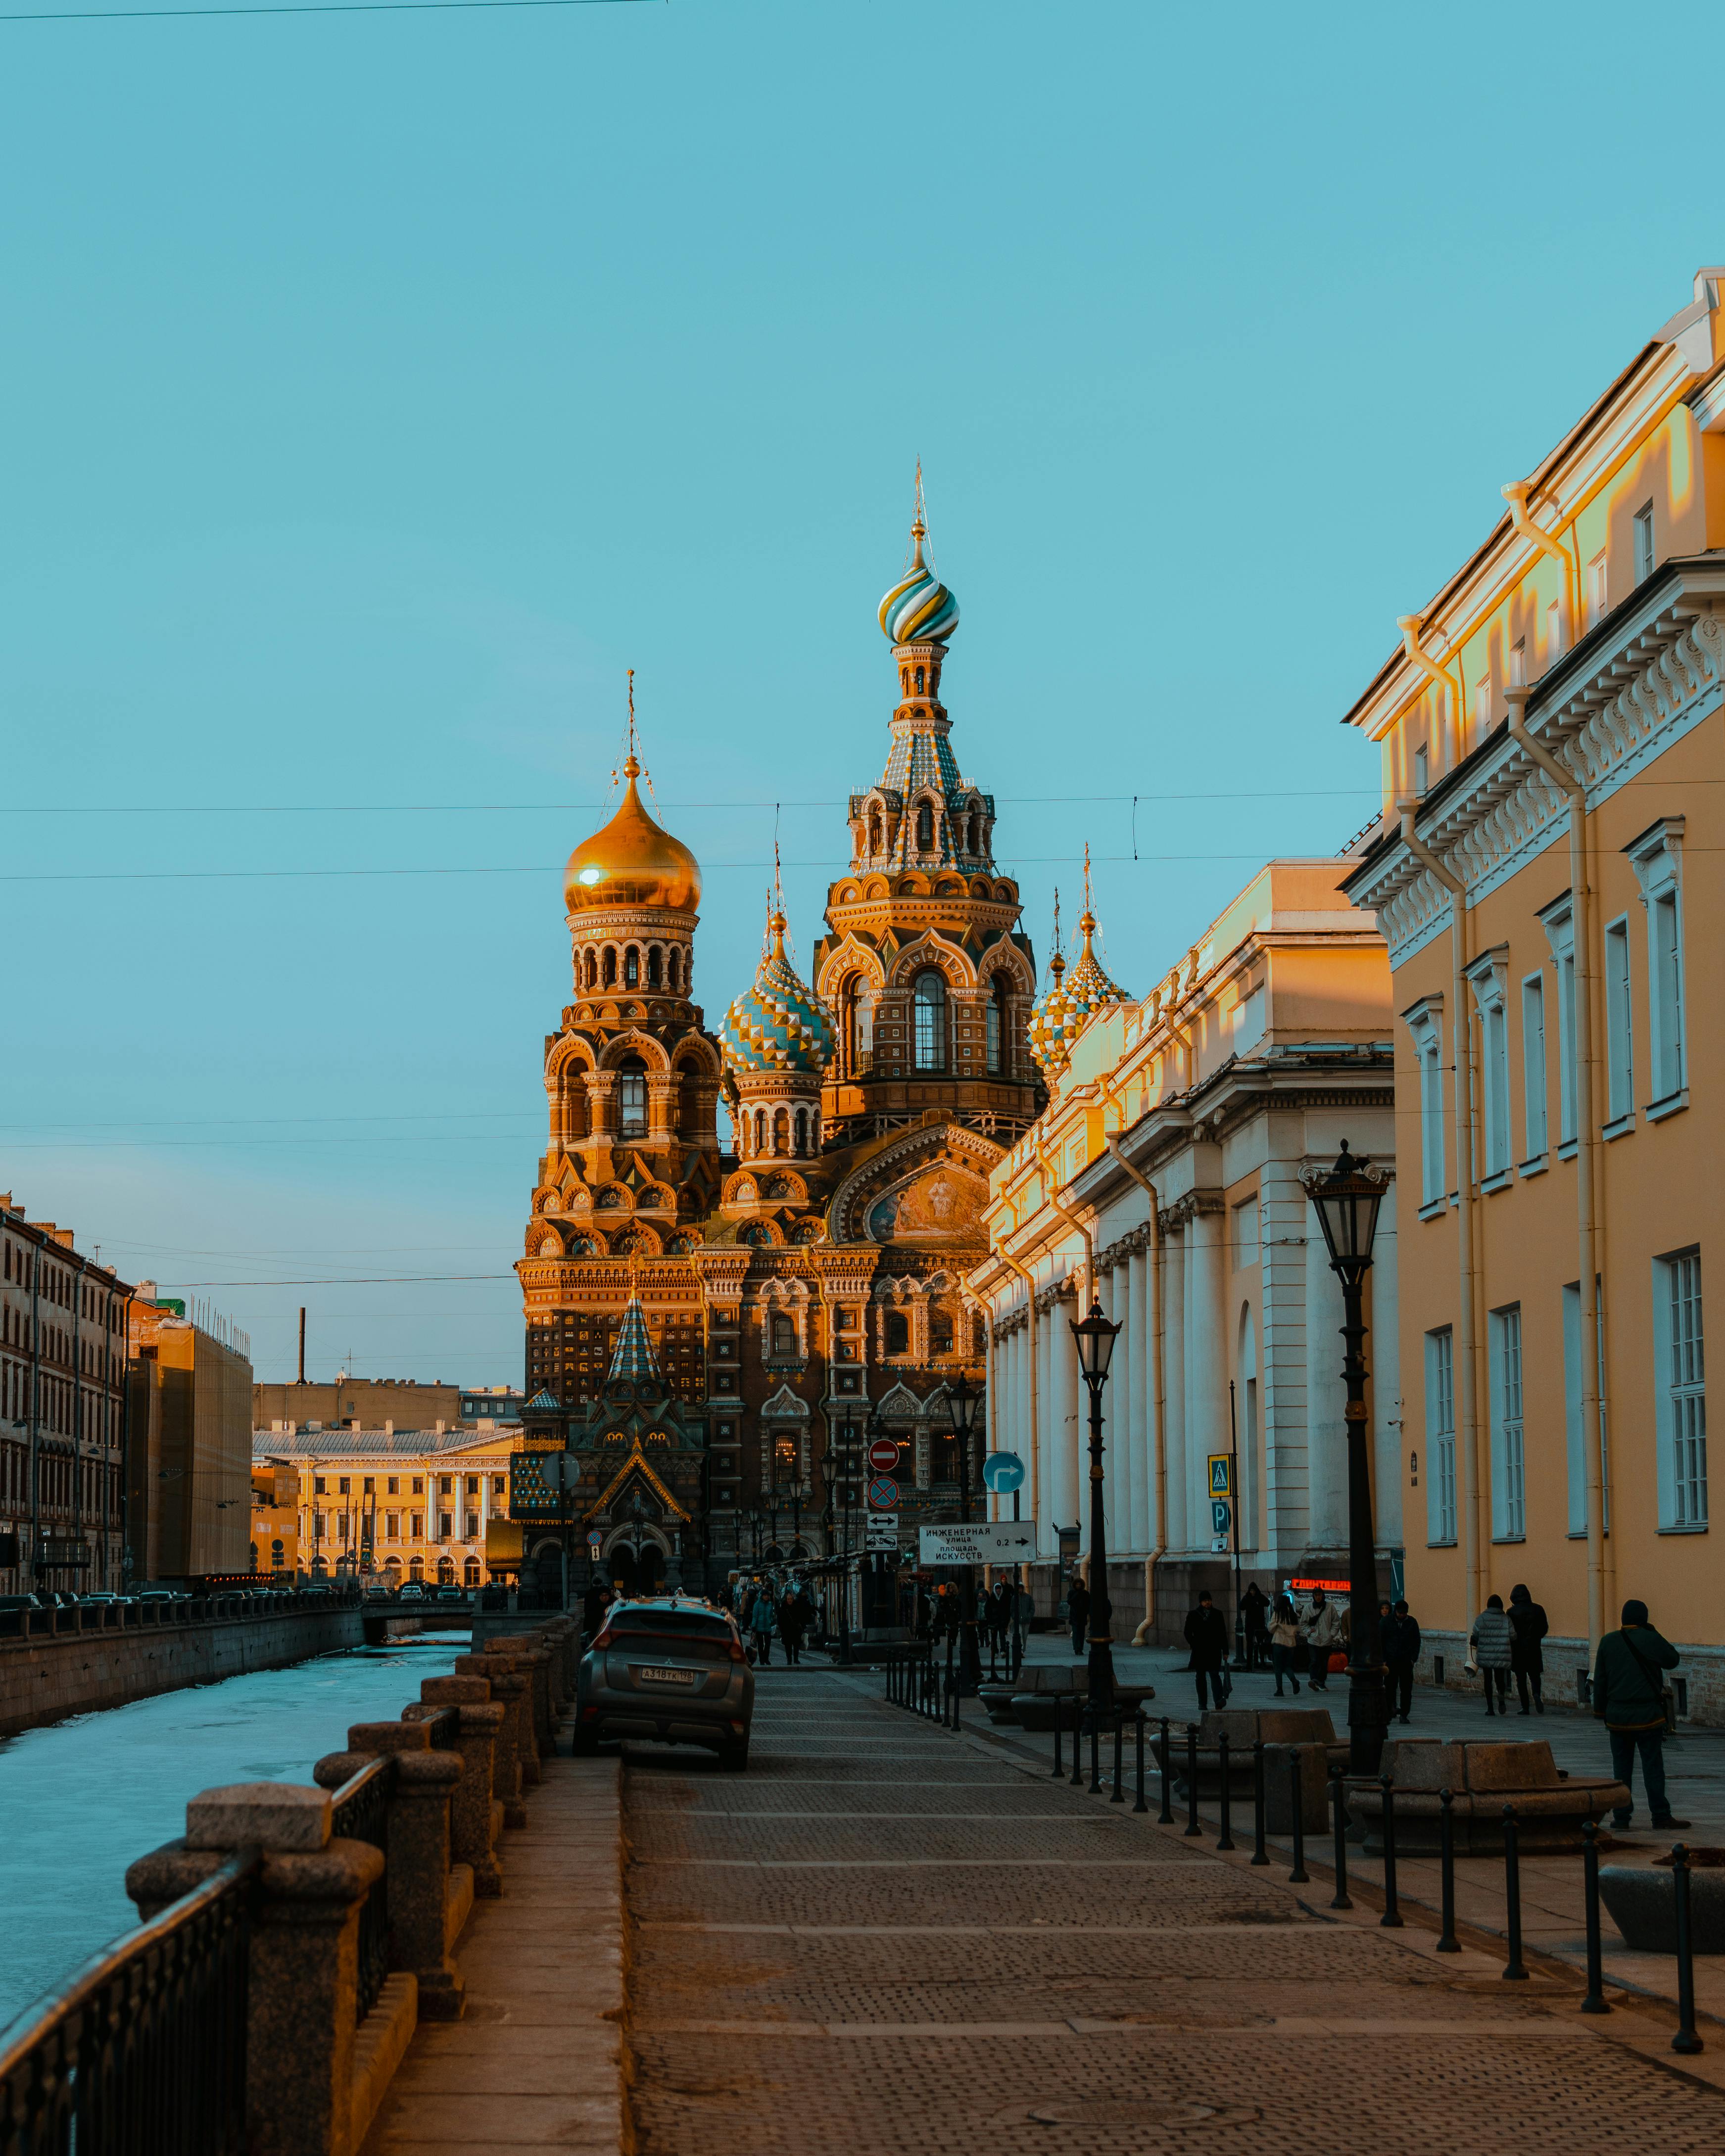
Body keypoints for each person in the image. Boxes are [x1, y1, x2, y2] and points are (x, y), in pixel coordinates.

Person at [1593, 1599, 1689, 1830]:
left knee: (1622, 1768)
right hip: (1648, 1716)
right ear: (1644, 1619)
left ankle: (1622, 1816)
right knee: (1653, 1767)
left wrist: (1600, 1711)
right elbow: (1672, 1660)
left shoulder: (1608, 1642)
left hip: (1618, 1717)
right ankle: (1660, 1815)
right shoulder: (1651, 1639)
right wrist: (1655, 1633)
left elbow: (1601, 1681)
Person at [1183, 1590, 1231, 1710]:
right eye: (1205, 1601)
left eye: (1209, 1600)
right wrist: (1194, 1644)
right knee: (1200, 1677)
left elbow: (1222, 1633)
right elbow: (1187, 1632)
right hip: (1200, 1651)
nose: (1208, 1603)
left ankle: (1218, 1700)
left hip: (1214, 1651)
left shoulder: (1218, 1614)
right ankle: (1202, 1703)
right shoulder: (1193, 1615)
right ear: (1201, 1602)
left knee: (1215, 1675)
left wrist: (1225, 1651)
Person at [1508, 1583, 1548, 1714]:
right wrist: (1536, 1638)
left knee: (1521, 1679)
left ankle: (1525, 1706)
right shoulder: (1538, 1609)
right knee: (1535, 1676)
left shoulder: (1511, 1612)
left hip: (1518, 1650)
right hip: (1534, 1647)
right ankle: (1536, 1694)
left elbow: (1510, 1631)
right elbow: (1544, 1628)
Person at [1470, 1593, 1513, 1714]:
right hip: (1501, 1653)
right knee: (1500, 1678)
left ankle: (1490, 1707)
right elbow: (1513, 1635)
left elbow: (1475, 1636)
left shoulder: (1481, 1619)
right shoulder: (1506, 1619)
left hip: (1486, 1654)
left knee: (1487, 1679)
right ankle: (1501, 1696)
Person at [1382, 1598, 1420, 1724]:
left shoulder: (1412, 1622)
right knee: (1389, 1689)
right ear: (1396, 1612)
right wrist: (1383, 1659)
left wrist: (1413, 1659)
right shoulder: (1386, 1622)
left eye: (1404, 1614)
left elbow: (1416, 1641)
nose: (1402, 1616)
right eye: (1400, 1613)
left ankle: (1404, 1714)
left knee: (1406, 1689)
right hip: (1391, 1661)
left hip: (1406, 1661)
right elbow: (1380, 1641)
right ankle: (1389, 1711)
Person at [1302, 1589, 1343, 1691]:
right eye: (1316, 1595)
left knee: (1324, 1663)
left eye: (1320, 1595)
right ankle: (1314, 1680)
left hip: (1326, 1640)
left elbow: (1336, 1622)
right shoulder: (1308, 1608)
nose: (1318, 1597)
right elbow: (1303, 1623)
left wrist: (1331, 1634)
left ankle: (1321, 1682)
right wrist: (1309, 1632)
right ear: (1314, 1596)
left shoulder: (1330, 1607)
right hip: (1314, 1640)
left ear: (1323, 1595)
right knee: (1314, 1661)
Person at [1269, 1592, 1301, 1697]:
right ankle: (1294, 1680)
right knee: (1287, 1666)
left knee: (1278, 1668)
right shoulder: (1293, 1615)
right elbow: (1298, 1629)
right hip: (1291, 1644)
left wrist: (1278, 1625)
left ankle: (1280, 1690)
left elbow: (1270, 1628)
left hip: (1279, 1642)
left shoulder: (1278, 1614)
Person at [1239, 1582, 1270, 1670]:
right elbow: (1241, 1607)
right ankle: (1251, 1663)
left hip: (1258, 1624)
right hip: (1251, 1625)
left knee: (1260, 1644)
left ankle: (1261, 1662)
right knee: (1251, 1645)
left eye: (1254, 1591)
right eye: (1251, 1591)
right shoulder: (1247, 1598)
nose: (1252, 1592)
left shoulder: (1259, 1597)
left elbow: (1267, 1603)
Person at [748, 1583, 776, 1667]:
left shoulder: (770, 1605)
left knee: (768, 1644)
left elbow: (771, 1614)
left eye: (768, 1595)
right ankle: (762, 1660)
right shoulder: (757, 1605)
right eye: (765, 1596)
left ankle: (766, 1658)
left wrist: (771, 1620)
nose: (767, 1597)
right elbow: (755, 1616)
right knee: (760, 1645)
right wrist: (754, 1626)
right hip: (759, 1627)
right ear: (762, 1596)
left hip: (767, 1627)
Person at [778, 1585, 808, 1666]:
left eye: (791, 1599)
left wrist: (802, 1626)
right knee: (788, 1647)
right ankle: (789, 1660)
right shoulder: (783, 1608)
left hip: (795, 1630)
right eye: (788, 1599)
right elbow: (780, 1620)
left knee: (796, 1646)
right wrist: (782, 1630)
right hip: (786, 1630)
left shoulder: (797, 1606)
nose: (790, 1601)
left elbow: (801, 1617)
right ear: (786, 1599)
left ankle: (796, 1659)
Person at [1066, 1572, 1091, 1658]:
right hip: (1074, 1617)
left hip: (1083, 1616)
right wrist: (1077, 1594)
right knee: (1076, 1633)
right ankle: (1076, 1648)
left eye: (1080, 1584)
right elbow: (1069, 1602)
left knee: (1081, 1634)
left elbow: (1088, 1605)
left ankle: (1080, 1648)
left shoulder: (1086, 1594)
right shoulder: (1072, 1593)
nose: (1078, 1586)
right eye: (1077, 1584)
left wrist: (1088, 1615)